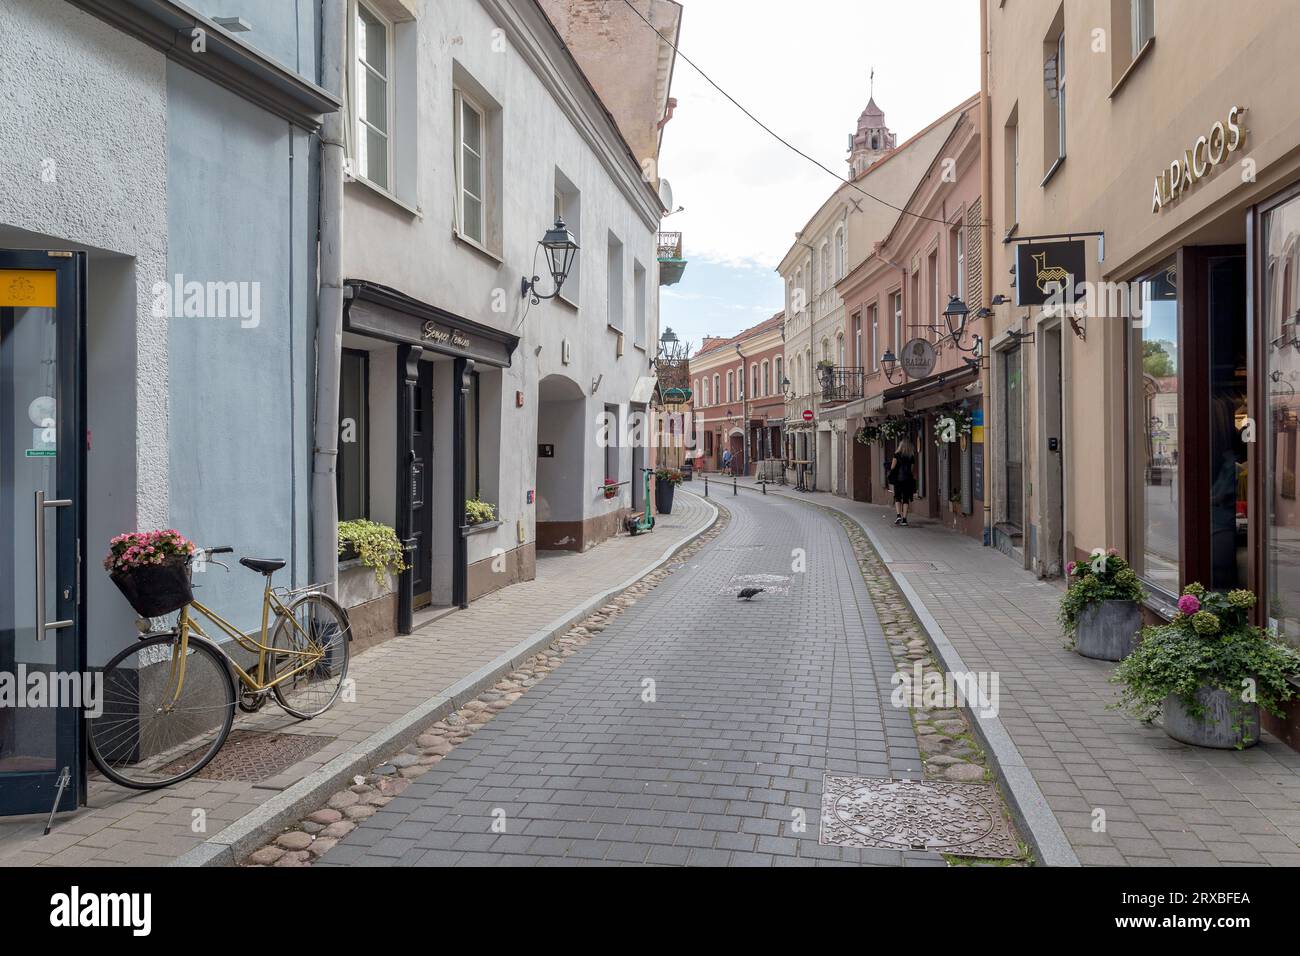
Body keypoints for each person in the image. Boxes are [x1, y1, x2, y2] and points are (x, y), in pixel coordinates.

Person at [888, 437, 917, 526]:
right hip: (908, 480)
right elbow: (911, 470)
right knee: (905, 498)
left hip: (898, 479)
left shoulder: (897, 454)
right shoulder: (911, 456)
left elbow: (892, 467)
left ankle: (898, 515)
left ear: (900, 445)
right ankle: (904, 519)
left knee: (897, 497)